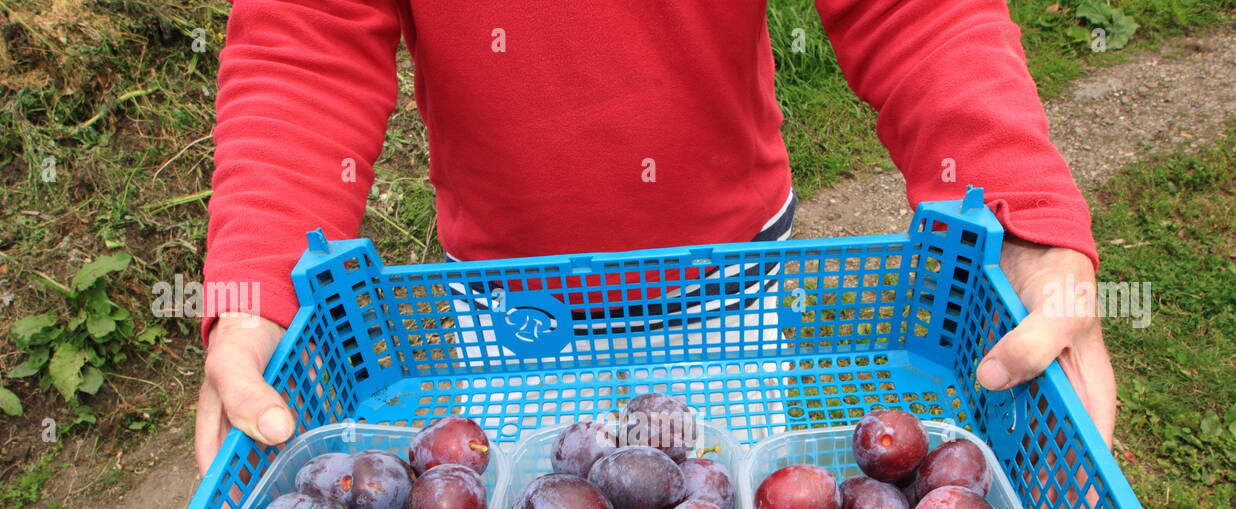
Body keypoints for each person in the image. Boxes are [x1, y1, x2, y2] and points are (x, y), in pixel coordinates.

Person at [195, 0, 1116, 474]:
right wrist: (259, 285)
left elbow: (914, 12)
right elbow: (303, 40)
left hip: (729, 287)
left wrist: (1015, 208)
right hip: (511, 306)